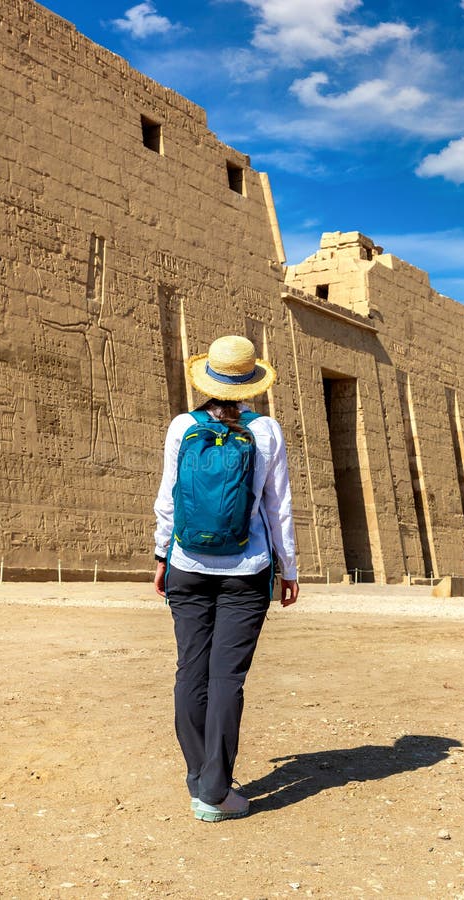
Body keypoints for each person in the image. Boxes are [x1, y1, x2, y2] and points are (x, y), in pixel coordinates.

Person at [153, 334, 298, 822]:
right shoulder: (268, 432)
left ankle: (200, 779)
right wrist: (289, 568)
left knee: (189, 671)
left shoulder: (182, 426)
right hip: (247, 568)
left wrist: (161, 555)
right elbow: (278, 508)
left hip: (187, 566)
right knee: (226, 678)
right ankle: (215, 791)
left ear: (209, 379)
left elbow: (169, 499)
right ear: (251, 384)